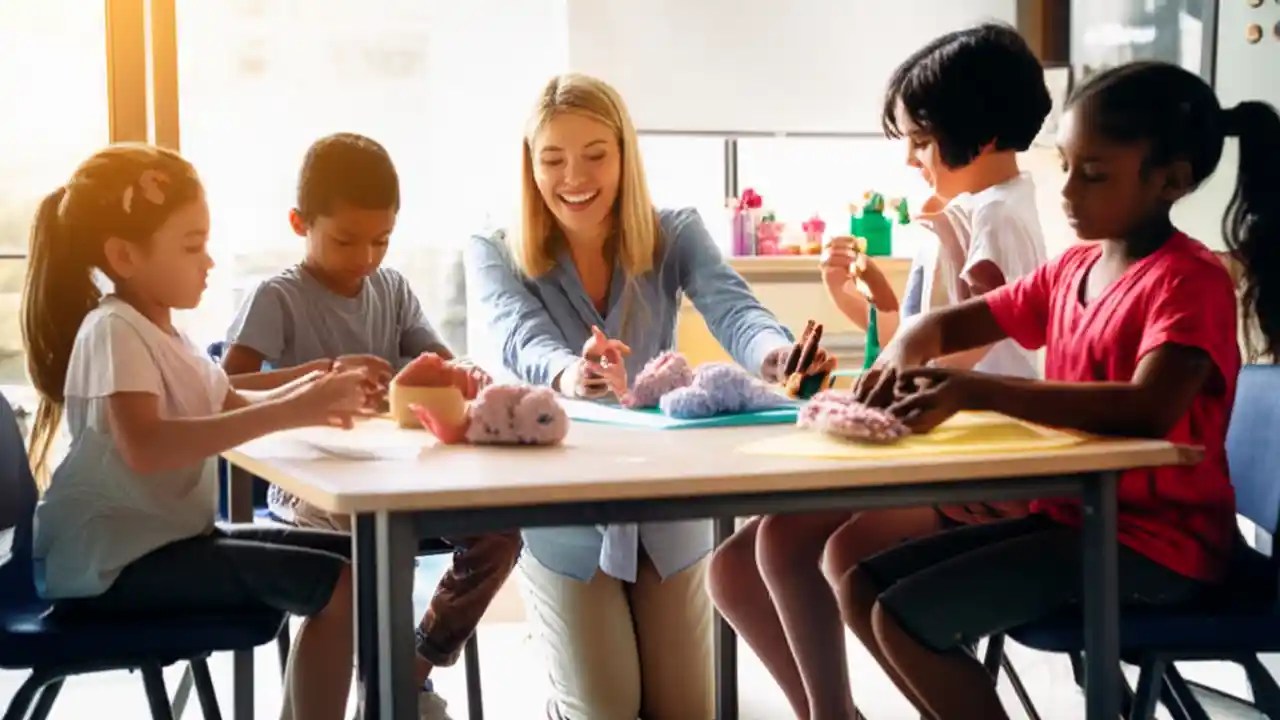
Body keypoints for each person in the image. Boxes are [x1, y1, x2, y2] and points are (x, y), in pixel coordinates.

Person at [842, 60, 1280, 719]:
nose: (1069, 191)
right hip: (1080, 523)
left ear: (1173, 181)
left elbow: (1146, 409)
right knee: (862, 585)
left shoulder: (1189, 282)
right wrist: (912, 341)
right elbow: (955, 321)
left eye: (1094, 174)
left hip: (1159, 548)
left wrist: (977, 391)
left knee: (906, 617)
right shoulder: (1074, 267)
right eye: (1067, 167)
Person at [705, 23, 1052, 719]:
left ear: (978, 133)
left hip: (982, 465)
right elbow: (926, 347)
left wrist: (878, 385)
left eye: (921, 142)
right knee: (731, 568)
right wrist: (878, 318)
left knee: (782, 540)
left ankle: (830, 714)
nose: (912, 161)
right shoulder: (968, 213)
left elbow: (962, 352)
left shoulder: (996, 220)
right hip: (942, 447)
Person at [465, 73, 830, 720]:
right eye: (552, 159)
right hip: (562, 510)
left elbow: (735, 310)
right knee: (606, 709)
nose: (573, 177)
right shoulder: (493, 249)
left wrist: (778, 357)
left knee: (685, 710)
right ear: (530, 165)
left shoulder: (674, 232)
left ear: (625, 155)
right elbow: (522, 340)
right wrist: (573, 375)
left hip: (663, 507)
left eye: (595, 155)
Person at [22, 143, 371, 720]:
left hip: (159, 547)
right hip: (114, 569)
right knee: (341, 583)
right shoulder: (114, 330)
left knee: (361, 568)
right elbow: (147, 446)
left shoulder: (161, 332)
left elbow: (228, 398)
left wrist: (316, 380)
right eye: (192, 246)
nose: (208, 261)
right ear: (124, 255)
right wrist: (295, 408)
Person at [222, 132, 521, 720]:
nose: (364, 258)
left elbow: (437, 359)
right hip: (310, 488)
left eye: (381, 240)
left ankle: (409, 672)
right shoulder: (277, 297)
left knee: (500, 534)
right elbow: (224, 391)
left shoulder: (392, 288)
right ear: (298, 223)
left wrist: (461, 372)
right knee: (350, 562)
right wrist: (320, 377)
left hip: (400, 479)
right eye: (345, 240)